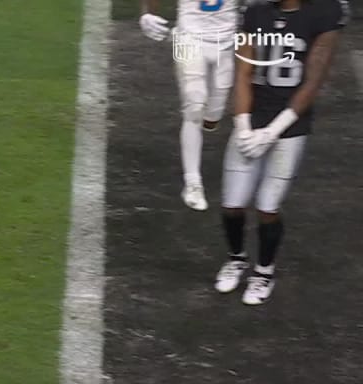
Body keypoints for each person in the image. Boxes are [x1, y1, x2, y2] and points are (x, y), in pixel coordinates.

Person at [214, 0, 348, 305]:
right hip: (253, 117)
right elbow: (243, 72)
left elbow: (313, 83)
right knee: (232, 204)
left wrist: (274, 131)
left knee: (267, 206)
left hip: (289, 127)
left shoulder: (324, 14)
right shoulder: (255, 12)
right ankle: (236, 258)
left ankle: (264, 272)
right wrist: (243, 125)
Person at [140, 0, 244, 211]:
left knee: (212, 117)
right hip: (187, 37)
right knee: (195, 105)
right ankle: (193, 182)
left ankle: (205, 125)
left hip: (225, 41)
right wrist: (147, 13)